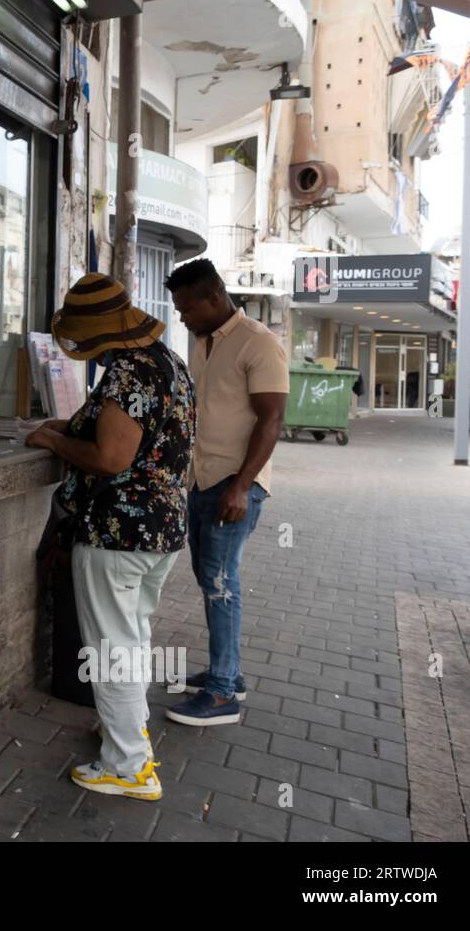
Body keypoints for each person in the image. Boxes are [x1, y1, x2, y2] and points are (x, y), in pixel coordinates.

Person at [26, 272, 195, 800]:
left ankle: (127, 768)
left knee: (112, 648)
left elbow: (111, 457)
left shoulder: (127, 373)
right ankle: (128, 730)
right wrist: (70, 428)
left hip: (118, 532)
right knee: (133, 637)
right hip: (161, 527)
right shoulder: (167, 363)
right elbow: (139, 440)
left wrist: (53, 443)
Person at [163, 259, 288, 726]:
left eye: (188, 308)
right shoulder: (202, 342)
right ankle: (227, 673)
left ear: (215, 298)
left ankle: (220, 695)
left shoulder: (259, 343)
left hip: (234, 486)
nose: (182, 318)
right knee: (208, 576)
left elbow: (271, 420)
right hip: (200, 479)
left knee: (220, 584)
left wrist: (240, 486)